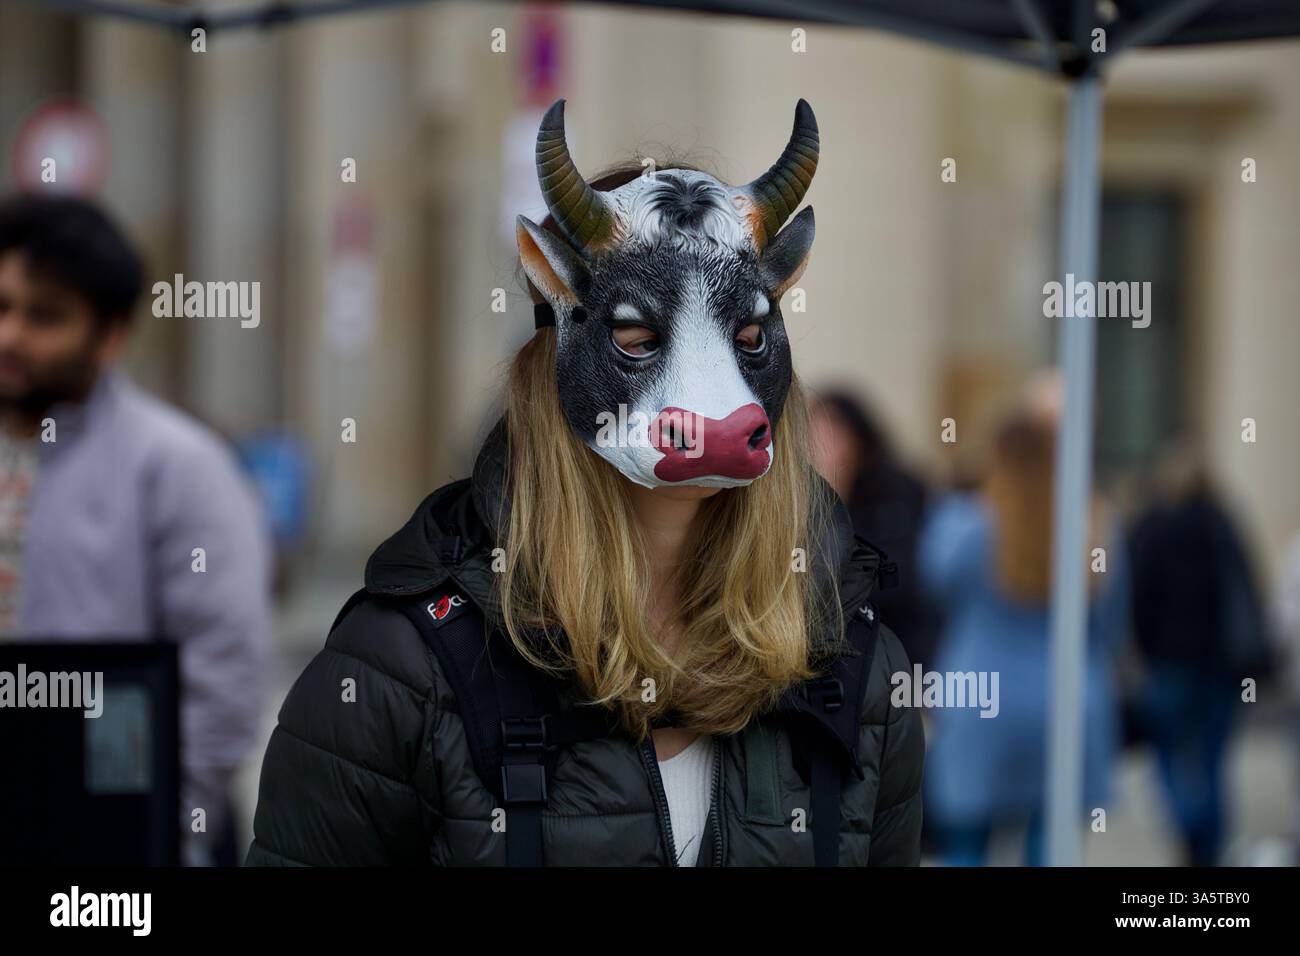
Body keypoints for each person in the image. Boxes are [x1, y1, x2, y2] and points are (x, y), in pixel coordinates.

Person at [246, 99, 924, 866]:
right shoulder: (403, 671)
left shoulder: (853, 665)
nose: (710, 394)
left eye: (744, 341)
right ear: (560, 301)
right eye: (637, 339)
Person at [0, 194, 273, 866]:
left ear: (111, 332)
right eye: (2, 308)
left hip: (112, 837)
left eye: (44, 318)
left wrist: (149, 829)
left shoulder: (179, 469)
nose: (10, 336)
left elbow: (224, 674)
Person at [918, 404, 1127, 866]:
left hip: (980, 700)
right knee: (1050, 848)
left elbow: (933, 580)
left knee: (965, 848)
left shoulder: (967, 527)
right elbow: (1113, 625)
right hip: (1068, 699)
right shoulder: (1093, 530)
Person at [1127, 440, 1270, 865]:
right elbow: (1247, 588)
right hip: (1220, 666)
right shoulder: (1221, 524)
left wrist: (1138, 648)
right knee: (1211, 755)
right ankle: (1206, 835)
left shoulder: (1151, 525)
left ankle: (1188, 820)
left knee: (1170, 750)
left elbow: (1136, 594)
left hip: (1168, 662)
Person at [811, 389, 938, 671]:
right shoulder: (808, 500)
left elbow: (892, 580)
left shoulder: (898, 494)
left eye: (829, 435)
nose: (818, 447)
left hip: (900, 652)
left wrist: (834, 498)